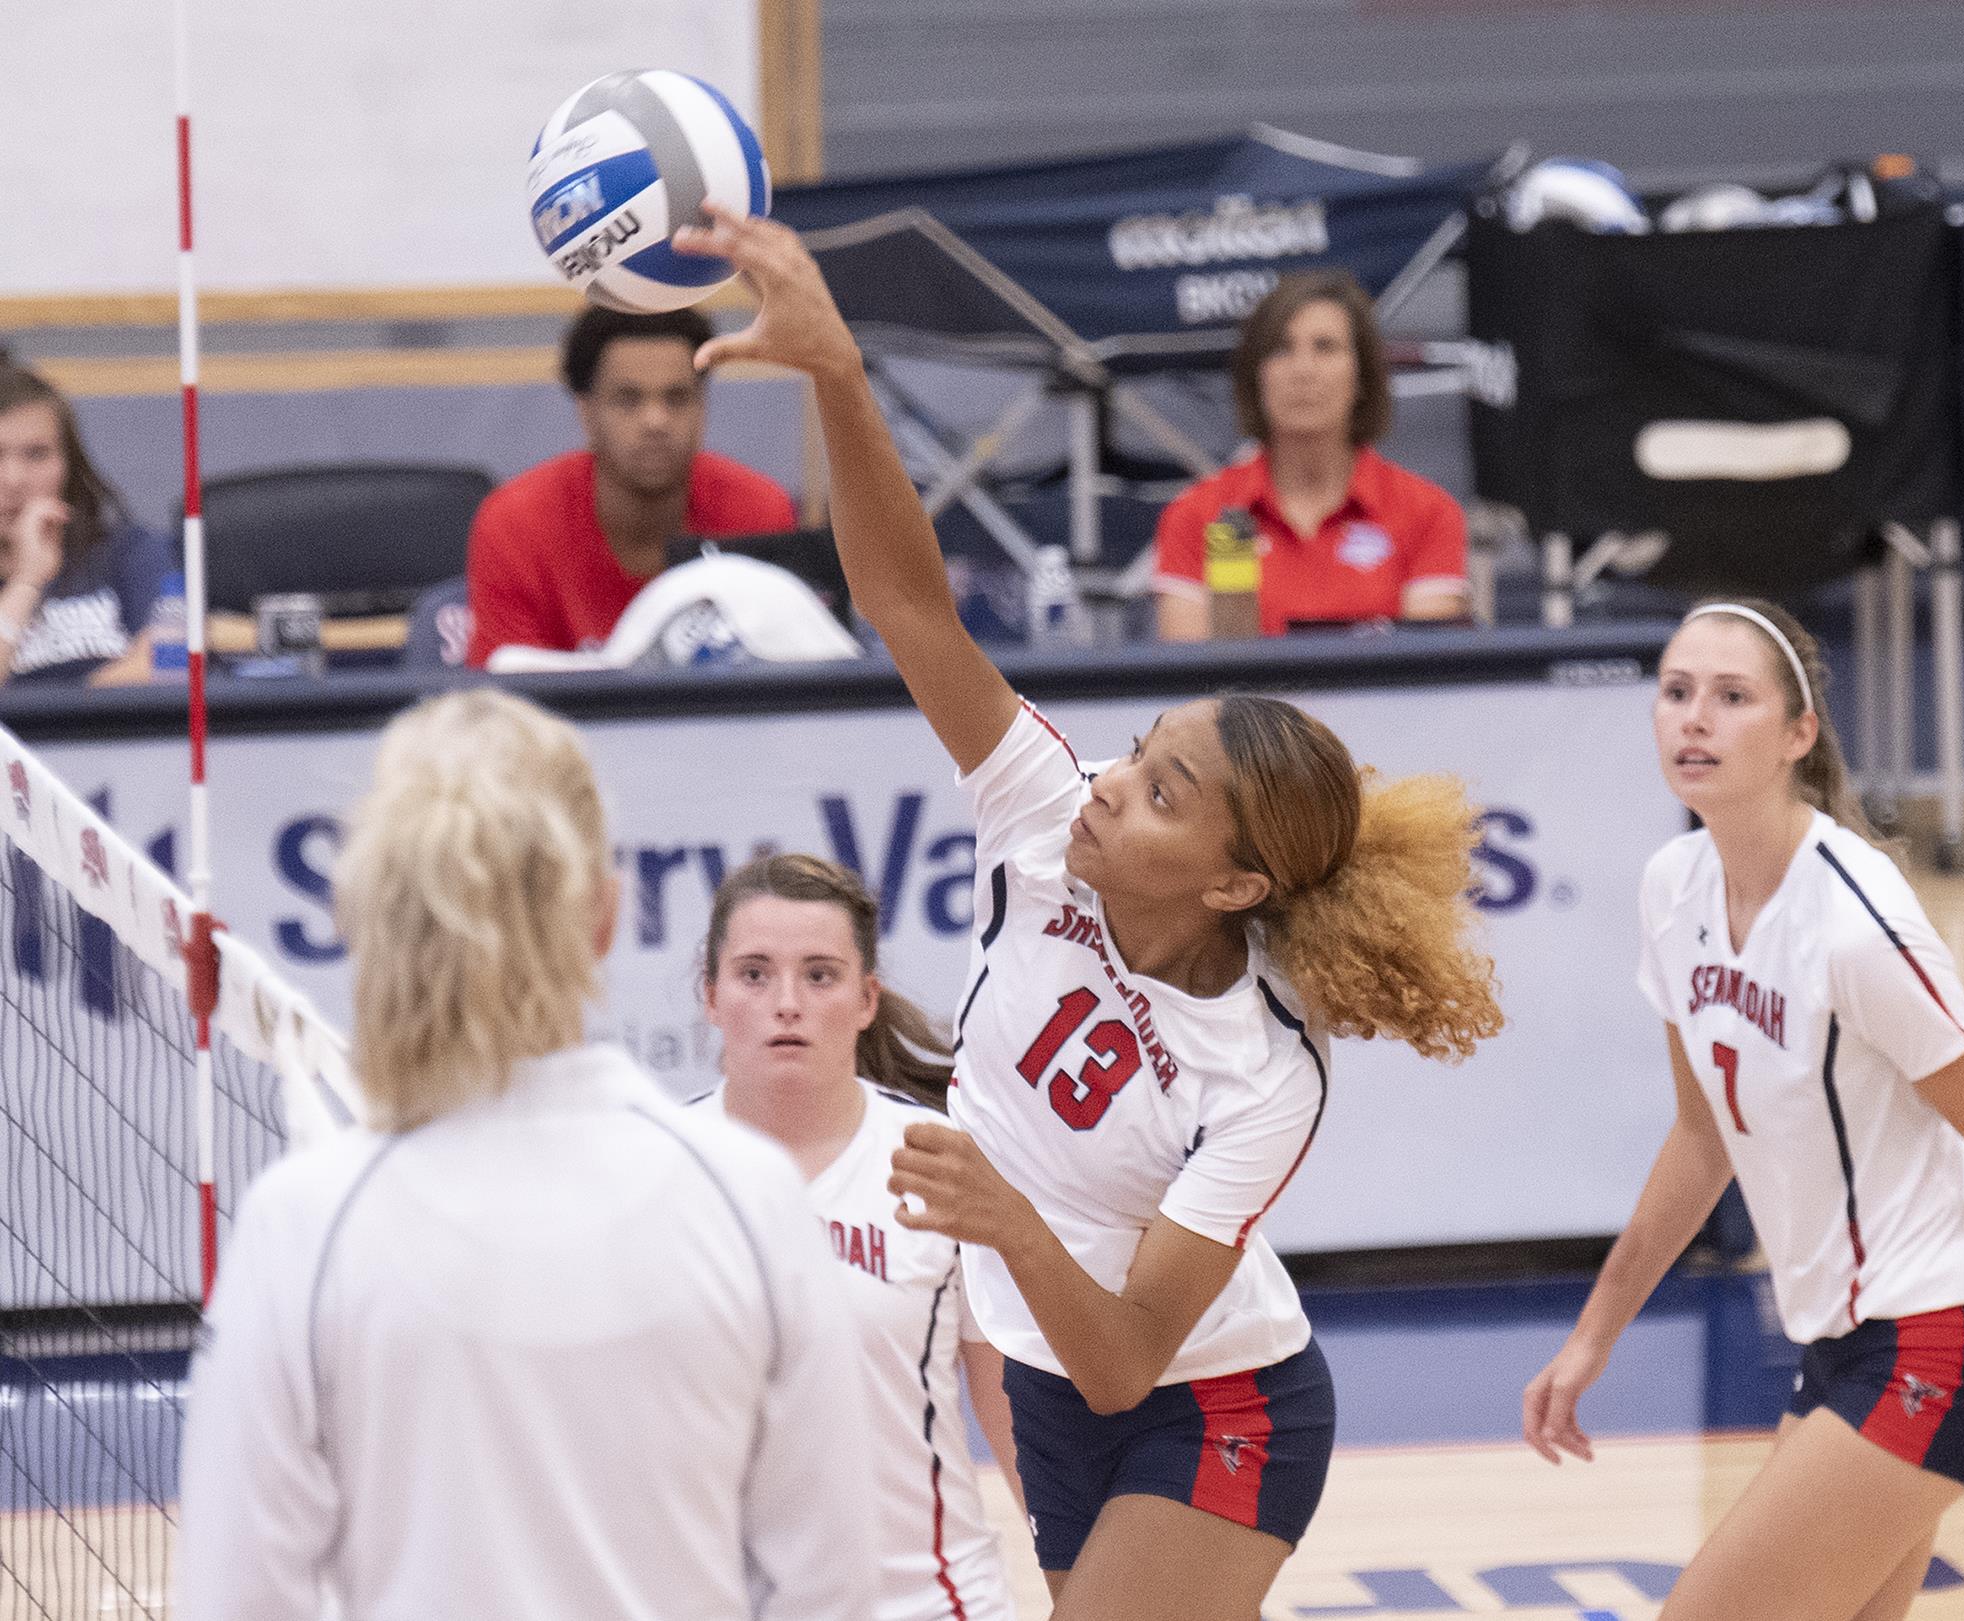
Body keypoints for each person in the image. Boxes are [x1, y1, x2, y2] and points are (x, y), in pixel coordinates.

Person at [676, 206, 1503, 1621]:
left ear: (1234, 881)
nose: (1116, 785)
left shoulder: (1263, 1075)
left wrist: (1000, 1213)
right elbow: (904, 602)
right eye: (1140, 748)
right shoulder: (1046, 822)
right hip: (1057, 1390)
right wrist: (836, 371)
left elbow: (1132, 1356)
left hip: (1217, 1405)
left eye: (1166, 792)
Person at [176, 689, 874, 1621]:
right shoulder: (748, 1200)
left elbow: (238, 1602)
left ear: (371, 911)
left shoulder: (303, 1226)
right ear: (606, 914)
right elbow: (828, 1593)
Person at [1523, 600, 1964, 1621]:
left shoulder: (1853, 925)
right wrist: (1592, 1334)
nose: (1693, 717)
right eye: (1676, 691)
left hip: (1940, 1325)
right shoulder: (1671, 886)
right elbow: (1702, 1139)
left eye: (1730, 697)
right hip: (1836, 1335)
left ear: (1796, 735)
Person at [694, 852, 1022, 1621]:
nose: (786, 1003)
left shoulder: (945, 1164)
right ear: (709, 995)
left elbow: (1026, 1435)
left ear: (866, 997)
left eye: (819, 974)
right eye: (753, 973)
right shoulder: (653, 1175)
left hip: (930, 1604)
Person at [465, 305, 797, 667]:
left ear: (702, 405)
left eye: (677, 397)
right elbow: (505, 706)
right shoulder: (516, 524)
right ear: (586, 411)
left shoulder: (759, 510)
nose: (656, 421)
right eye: (628, 399)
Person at [1150, 270, 1469, 640]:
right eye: (1282, 349)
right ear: (1256, 376)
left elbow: (1427, 678)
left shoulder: (1428, 512)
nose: (1303, 370)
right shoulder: (1197, 515)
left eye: (1325, 347)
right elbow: (1193, 681)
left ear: (1364, 376)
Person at [0, 361, 171, 684]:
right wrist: (27, 580)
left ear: (69, 464)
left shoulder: (127, 552)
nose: (14, 479)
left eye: (37, 455)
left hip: (114, 733)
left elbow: (166, 661)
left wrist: (68, 716)